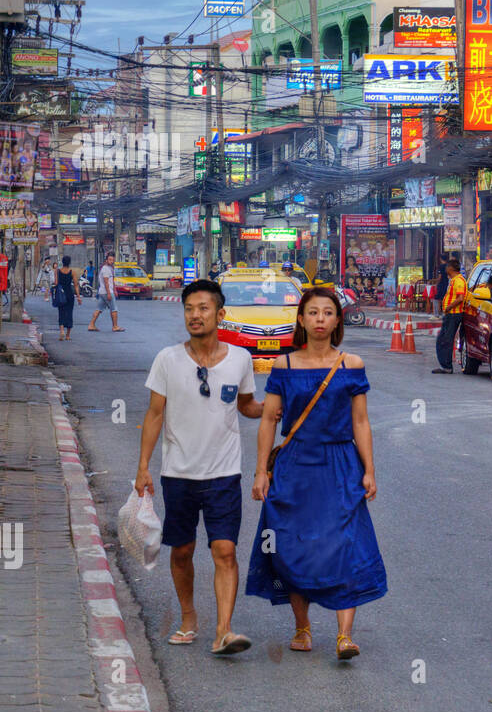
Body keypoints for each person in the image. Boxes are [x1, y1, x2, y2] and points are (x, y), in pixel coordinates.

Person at [247, 286, 386, 660]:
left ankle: (345, 636)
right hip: (295, 467)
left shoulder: (351, 365)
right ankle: (302, 627)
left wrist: (369, 470)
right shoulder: (284, 366)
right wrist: (261, 471)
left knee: (346, 543)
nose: (320, 319)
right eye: (313, 313)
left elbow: (360, 422)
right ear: (301, 319)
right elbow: (268, 423)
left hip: (341, 466)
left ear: (337, 320)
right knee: (293, 544)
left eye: (327, 313)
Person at [135, 279, 262, 656]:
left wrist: (277, 407)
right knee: (182, 551)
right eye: (190, 308)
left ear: (220, 314)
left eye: (204, 308)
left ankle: (223, 630)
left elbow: (246, 406)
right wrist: (143, 468)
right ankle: (188, 618)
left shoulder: (240, 359)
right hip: (178, 474)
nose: (195, 315)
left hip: (224, 474)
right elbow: (155, 415)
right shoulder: (168, 359)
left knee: (224, 550)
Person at [432, 259, 467, 375]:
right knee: (443, 339)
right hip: (450, 314)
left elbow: (460, 298)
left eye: (447, 267)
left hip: (453, 314)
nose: (445, 269)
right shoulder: (453, 280)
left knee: (446, 339)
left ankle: (447, 367)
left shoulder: (459, 281)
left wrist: (448, 307)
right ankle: (445, 365)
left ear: (451, 268)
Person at [87, 252, 122, 332]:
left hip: (103, 292)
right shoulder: (105, 269)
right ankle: (115, 326)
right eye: (110, 260)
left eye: (113, 260)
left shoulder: (110, 268)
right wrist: (109, 293)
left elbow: (111, 281)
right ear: (106, 260)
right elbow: (106, 282)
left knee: (99, 309)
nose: (111, 261)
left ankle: (91, 325)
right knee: (114, 309)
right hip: (106, 292)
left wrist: (115, 289)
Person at [54, 255, 80, 341]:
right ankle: (68, 335)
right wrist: (78, 297)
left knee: (61, 312)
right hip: (69, 294)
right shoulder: (72, 272)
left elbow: (56, 283)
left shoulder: (57, 271)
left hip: (61, 294)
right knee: (69, 313)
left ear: (62, 262)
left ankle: (61, 331)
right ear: (69, 262)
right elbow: (76, 285)